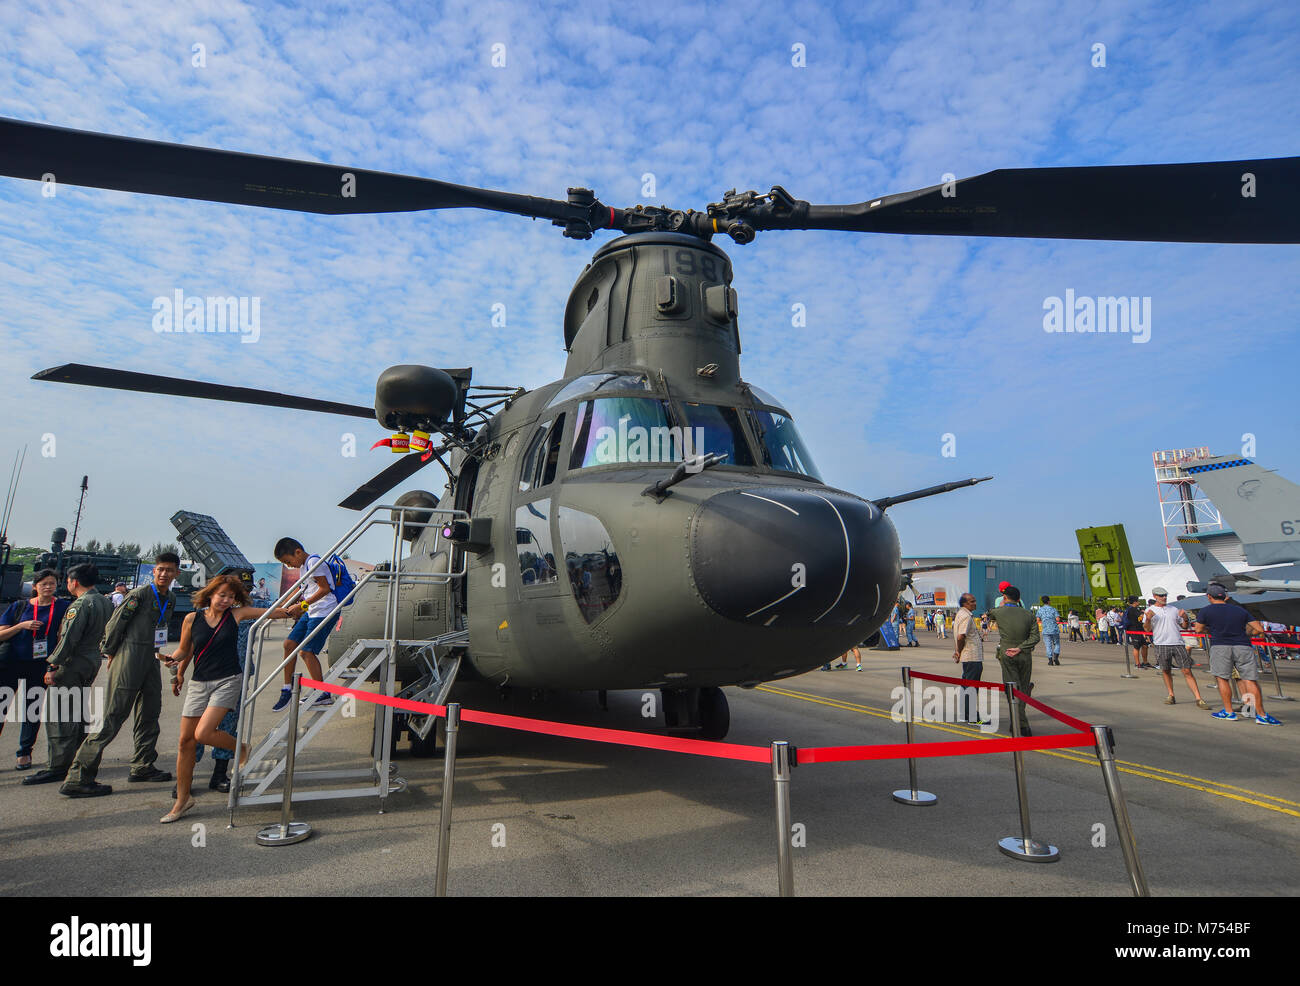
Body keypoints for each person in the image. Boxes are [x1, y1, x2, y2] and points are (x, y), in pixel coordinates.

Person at [161, 575, 293, 823]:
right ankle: (183, 799)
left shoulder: (236, 615)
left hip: (228, 680)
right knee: (185, 742)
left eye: (231, 597)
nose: (226, 600)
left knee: (203, 733)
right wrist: (173, 660)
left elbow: (270, 612)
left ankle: (241, 748)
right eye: (222, 595)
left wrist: (291, 611)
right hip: (199, 682)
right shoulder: (192, 619)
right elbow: (184, 649)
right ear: (210, 594)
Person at [60, 552, 181, 797]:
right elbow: (115, 625)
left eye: (169, 570)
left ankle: (142, 765)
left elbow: (158, 631)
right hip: (129, 657)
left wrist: (160, 656)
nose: (164, 573)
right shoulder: (138, 595)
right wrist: (111, 652)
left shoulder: (172, 598)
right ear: (154, 571)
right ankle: (78, 776)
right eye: (160, 569)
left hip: (150, 657)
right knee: (113, 715)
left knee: (150, 712)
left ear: (176, 573)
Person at [21, 565, 112, 785]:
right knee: (79, 713)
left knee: (60, 716)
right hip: (91, 661)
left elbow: (69, 639)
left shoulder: (80, 605)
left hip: (72, 663)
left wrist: (53, 665)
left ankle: (57, 766)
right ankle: (75, 758)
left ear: (75, 582)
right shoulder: (104, 602)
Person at [0, 568, 72, 769]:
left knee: (32, 709)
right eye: (44, 584)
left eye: (52, 583)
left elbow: (61, 636)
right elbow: (2, 634)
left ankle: (24, 752)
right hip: (10, 664)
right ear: (35, 587)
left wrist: (54, 665)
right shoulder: (19, 606)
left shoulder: (63, 607)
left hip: (39, 665)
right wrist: (21, 626)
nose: (48, 587)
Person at [1195, 583, 1280, 724]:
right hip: (1243, 645)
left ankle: (1229, 712)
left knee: (1222, 678)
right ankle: (1261, 714)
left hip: (1220, 645)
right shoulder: (1239, 610)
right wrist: (1248, 634)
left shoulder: (1206, 611)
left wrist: (1210, 631)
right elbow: (1259, 629)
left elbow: (1198, 629)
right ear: (1225, 596)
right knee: (1250, 679)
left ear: (1209, 596)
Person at [272, 538, 338, 711]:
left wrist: (302, 606)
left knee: (306, 652)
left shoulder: (314, 562)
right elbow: (308, 590)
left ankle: (323, 693)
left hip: (324, 610)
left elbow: (325, 589)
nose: (289, 565)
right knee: (289, 644)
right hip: (312, 611)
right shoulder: (303, 567)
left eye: (288, 561)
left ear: (298, 552)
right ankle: (288, 689)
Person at [1145, 587, 1210, 709]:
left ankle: (1198, 698)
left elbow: (1184, 626)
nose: (1164, 597)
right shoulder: (1150, 610)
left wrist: (1185, 618)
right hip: (1161, 644)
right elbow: (1147, 629)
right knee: (1166, 670)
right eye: (1161, 595)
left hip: (1178, 643)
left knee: (1187, 670)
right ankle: (1171, 694)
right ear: (1155, 596)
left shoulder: (1173, 609)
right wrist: (1148, 619)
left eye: (1165, 595)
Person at [987, 585, 1040, 735]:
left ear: (1004, 598)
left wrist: (1001, 605)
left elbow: (988, 615)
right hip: (1024, 654)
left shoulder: (998, 612)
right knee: (1022, 690)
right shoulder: (1028, 614)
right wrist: (1021, 647)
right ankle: (1019, 722)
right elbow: (1035, 636)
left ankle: (1021, 724)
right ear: (1019, 599)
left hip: (1007, 654)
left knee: (1012, 691)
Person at [952, 593, 986, 724]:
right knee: (972, 687)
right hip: (972, 656)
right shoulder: (966, 616)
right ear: (965, 603)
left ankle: (966, 714)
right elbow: (961, 636)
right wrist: (958, 651)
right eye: (972, 601)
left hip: (968, 656)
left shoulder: (961, 614)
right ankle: (971, 716)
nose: (975, 603)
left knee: (967, 687)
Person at [1124, 596, 1151, 667]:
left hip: (1139, 629)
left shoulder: (1134, 609)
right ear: (1135, 602)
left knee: (1145, 645)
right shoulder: (1132, 609)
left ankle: (1145, 662)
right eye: (1138, 601)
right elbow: (1141, 617)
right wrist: (1145, 614)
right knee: (1137, 646)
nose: (1139, 602)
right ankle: (1137, 663)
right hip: (1134, 630)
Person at [1038, 596, 1062, 666]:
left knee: (1048, 645)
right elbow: (1058, 619)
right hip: (1054, 629)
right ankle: (1056, 658)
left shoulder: (1040, 610)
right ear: (1048, 601)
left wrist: (1044, 620)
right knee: (1057, 644)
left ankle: (1050, 660)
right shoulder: (1053, 609)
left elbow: (1038, 620)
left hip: (1045, 630)